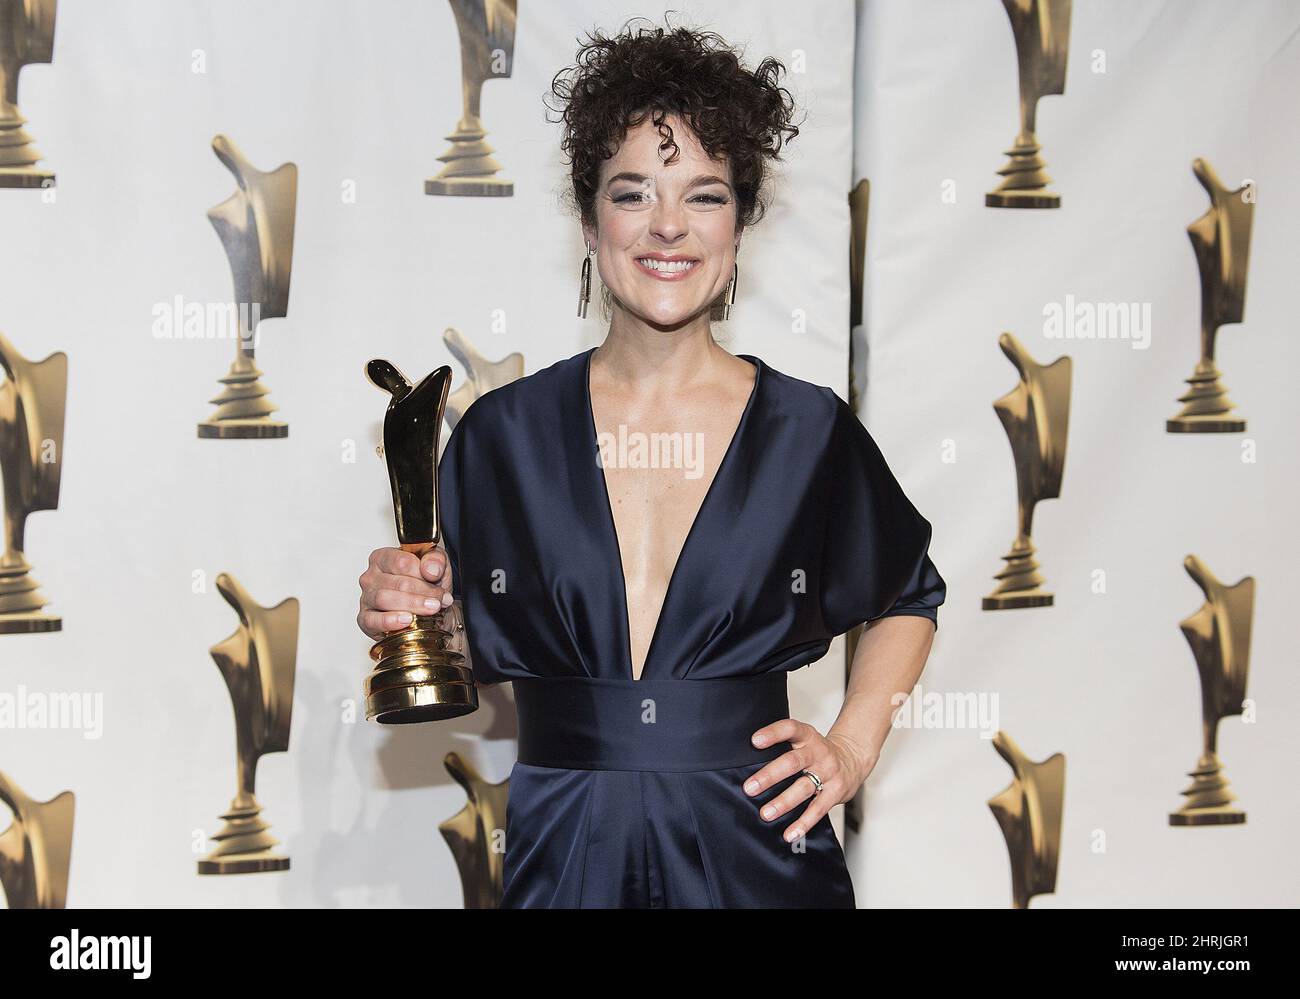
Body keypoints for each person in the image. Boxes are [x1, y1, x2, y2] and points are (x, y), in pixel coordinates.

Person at [357, 16, 946, 908]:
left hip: (759, 849)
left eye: (705, 196)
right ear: (590, 223)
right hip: (564, 848)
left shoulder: (805, 431)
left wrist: (853, 745)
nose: (667, 227)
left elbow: (908, 593)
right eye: (632, 193)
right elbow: (466, 651)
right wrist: (410, 612)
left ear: (740, 226)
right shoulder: (501, 437)